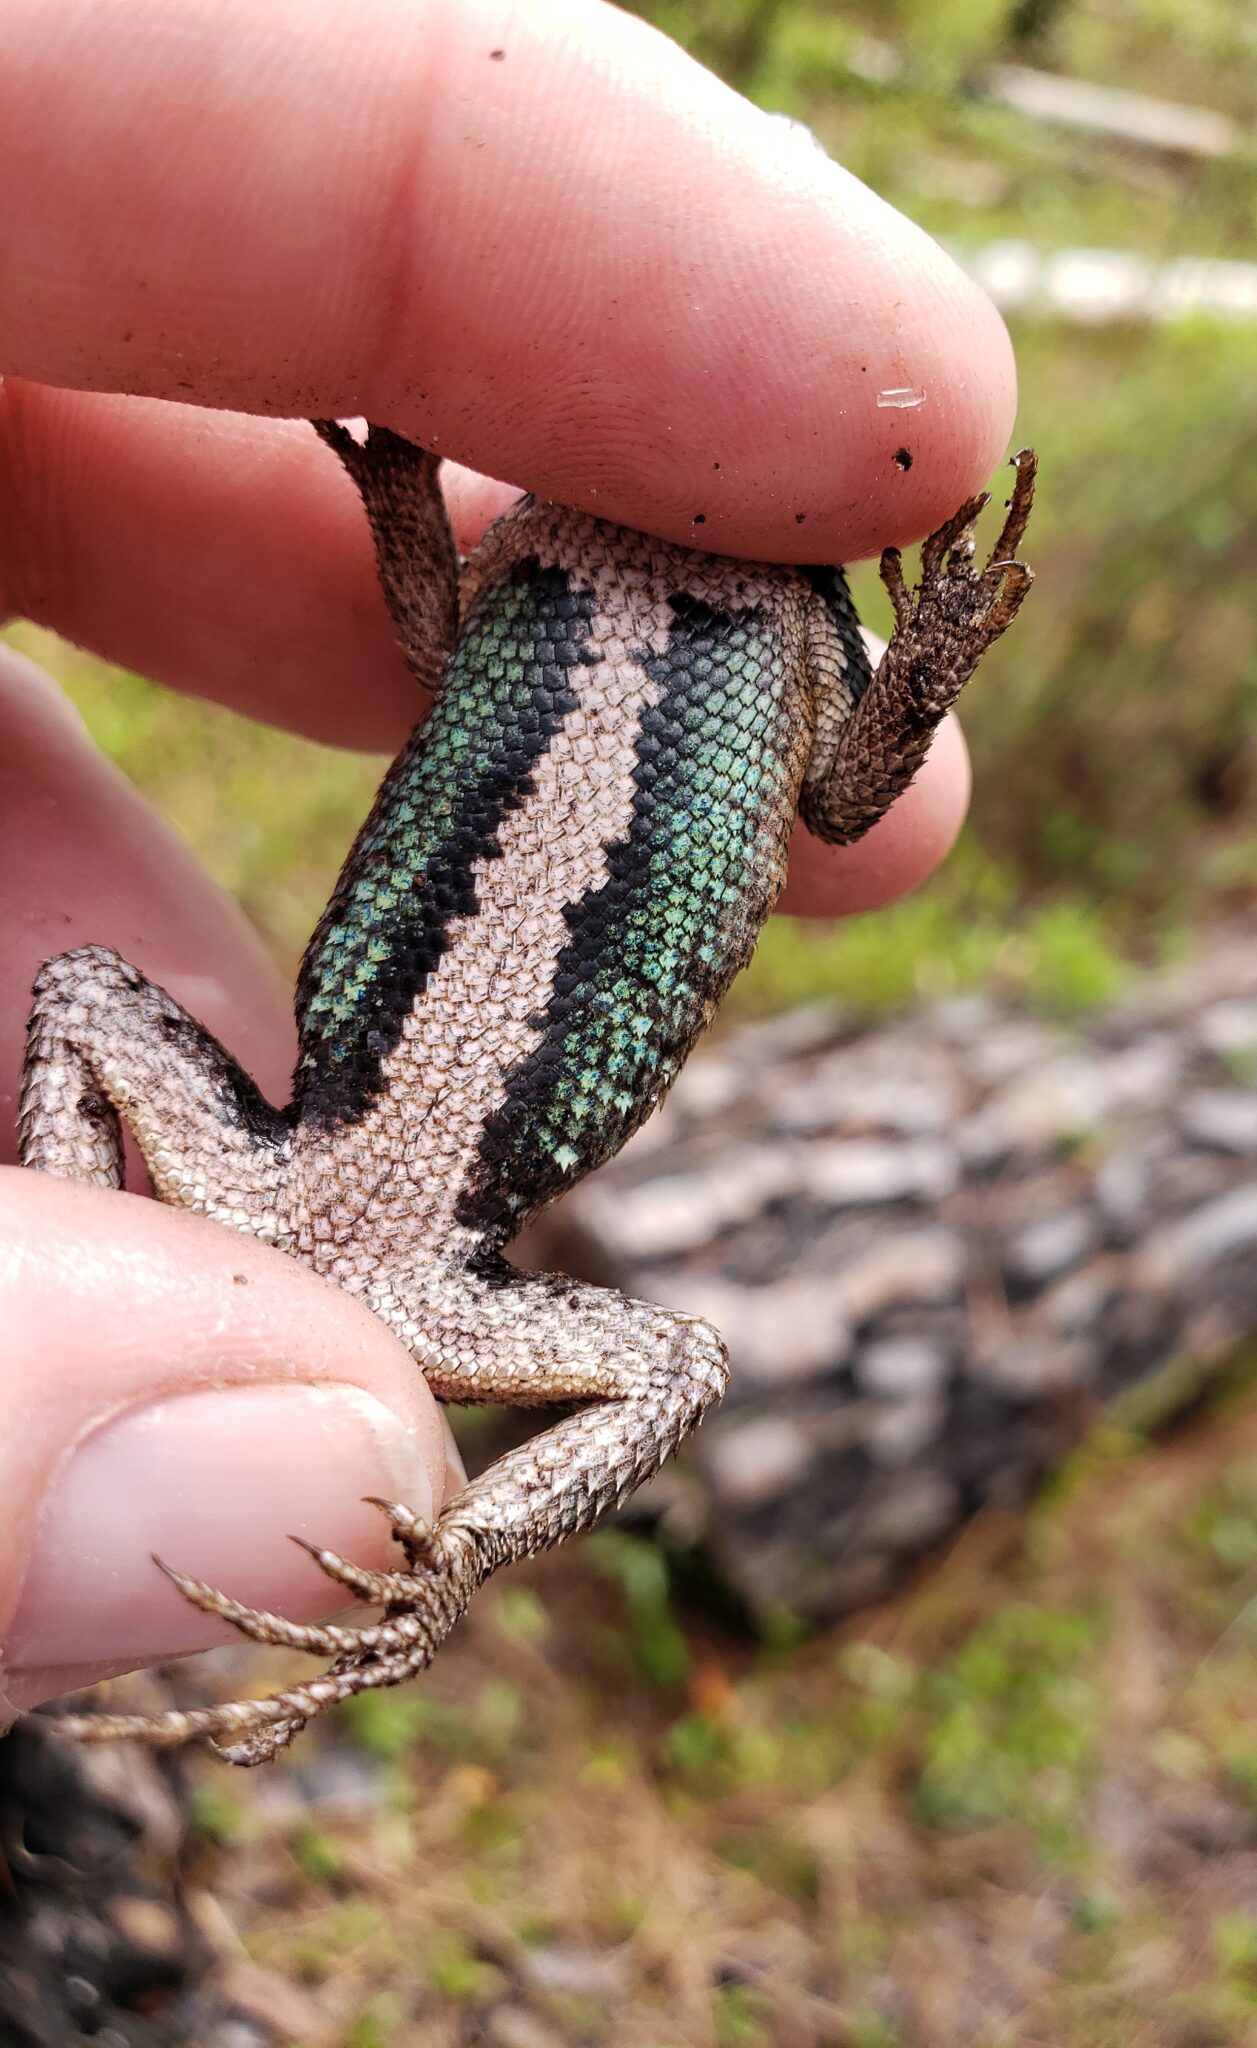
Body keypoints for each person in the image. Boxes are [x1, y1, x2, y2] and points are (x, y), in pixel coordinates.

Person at [0, 0, 1017, 1718]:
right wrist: (403, 471)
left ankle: (435, 1566)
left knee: (669, 1366)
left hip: (436, 1248)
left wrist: (925, 661)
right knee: (90, 991)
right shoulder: (553, 509)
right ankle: (70, 1266)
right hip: (287, 1149)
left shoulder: (802, 615)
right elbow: (431, 628)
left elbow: (842, 804)